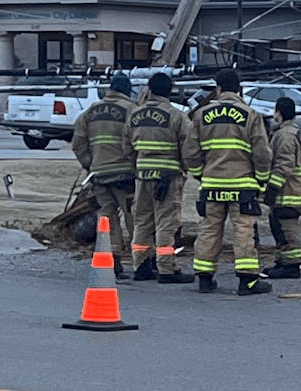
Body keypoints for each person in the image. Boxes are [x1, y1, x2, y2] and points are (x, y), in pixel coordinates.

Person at [183, 69, 273, 296]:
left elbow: (190, 152)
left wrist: (200, 175)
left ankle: (204, 278)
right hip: (242, 184)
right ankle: (247, 281)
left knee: (209, 229)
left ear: (218, 89)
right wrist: (261, 180)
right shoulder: (251, 115)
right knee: (243, 231)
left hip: (212, 185)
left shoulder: (201, 115)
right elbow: (262, 153)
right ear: (239, 89)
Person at [123, 72, 194, 284]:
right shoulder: (176, 116)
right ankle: (166, 268)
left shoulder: (135, 115)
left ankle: (141, 265)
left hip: (142, 174)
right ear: (169, 92)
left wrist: (139, 164)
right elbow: (188, 148)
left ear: (150, 90)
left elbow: (127, 147)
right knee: (166, 222)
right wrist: (184, 169)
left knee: (142, 220)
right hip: (168, 176)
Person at [72, 73, 136, 279]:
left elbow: (78, 143)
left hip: (99, 174)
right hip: (125, 175)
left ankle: (112, 261)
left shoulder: (89, 112)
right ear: (127, 90)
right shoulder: (132, 110)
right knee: (134, 217)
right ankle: (143, 261)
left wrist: (90, 164)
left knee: (106, 218)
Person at [263, 97, 301, 279]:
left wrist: (272, 188)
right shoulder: (286, 132)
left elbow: (284, 164)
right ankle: (283, 261)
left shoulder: (285, 136)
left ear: (279, 112)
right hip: (290, 190)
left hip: (288, 192)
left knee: (287, 228)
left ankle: (291, 266)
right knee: (279, 228)